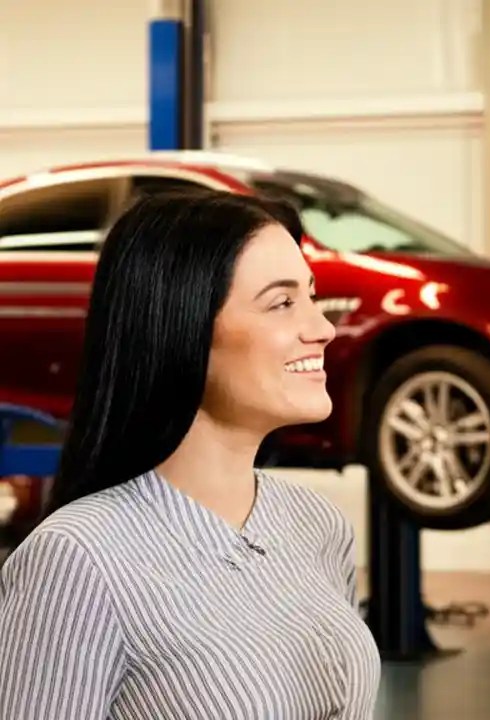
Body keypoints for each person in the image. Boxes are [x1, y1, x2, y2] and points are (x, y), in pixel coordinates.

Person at [0, 189, 381, 718]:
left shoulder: (318, 527)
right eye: (282, 303)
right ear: (183, 327)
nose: (322, 328)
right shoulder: (77, 560)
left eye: (312, 297)